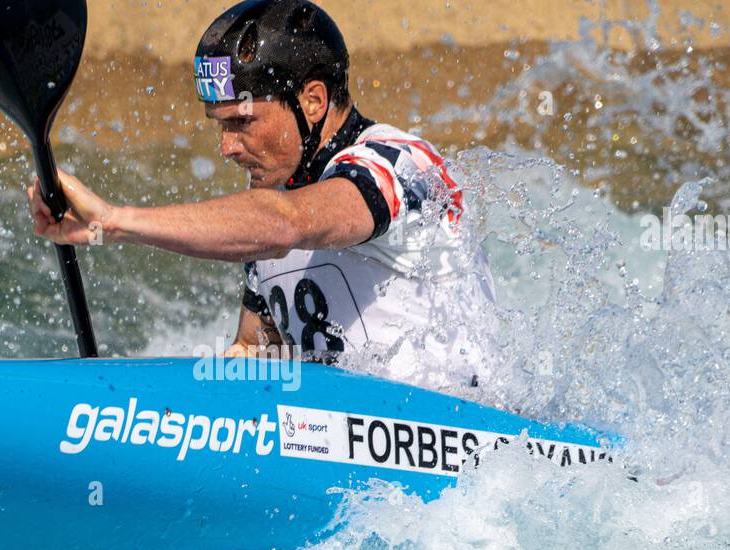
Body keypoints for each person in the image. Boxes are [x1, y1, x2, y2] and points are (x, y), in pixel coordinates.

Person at [29, 0, 497, 385]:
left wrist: (111, 222)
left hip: (474, 454)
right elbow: (254, 355)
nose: (226, 147)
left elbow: (285, 224)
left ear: (312, 101)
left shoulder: (399, 163)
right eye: (220, 125)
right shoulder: (270, 204)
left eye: (242, 122)